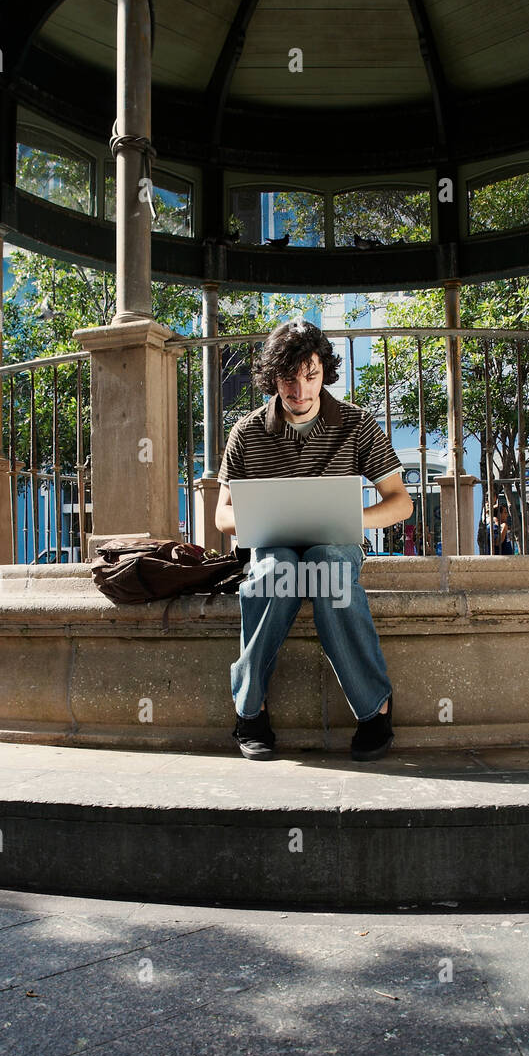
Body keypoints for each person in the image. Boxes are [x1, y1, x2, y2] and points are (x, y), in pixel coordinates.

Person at [215, 319, 413, 761]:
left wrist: (351, 517)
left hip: (335, 543)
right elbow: (222, 515)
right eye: (288, 377)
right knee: (272, 573)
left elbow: (401, 502)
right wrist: (259, 517)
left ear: (325, 372)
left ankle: (374, 707)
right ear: (272, 378)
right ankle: (250, 709)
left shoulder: (358, 424)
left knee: (330, 571)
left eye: (310, 375)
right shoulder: (245, 432)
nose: (299, 390)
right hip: (272, 545)